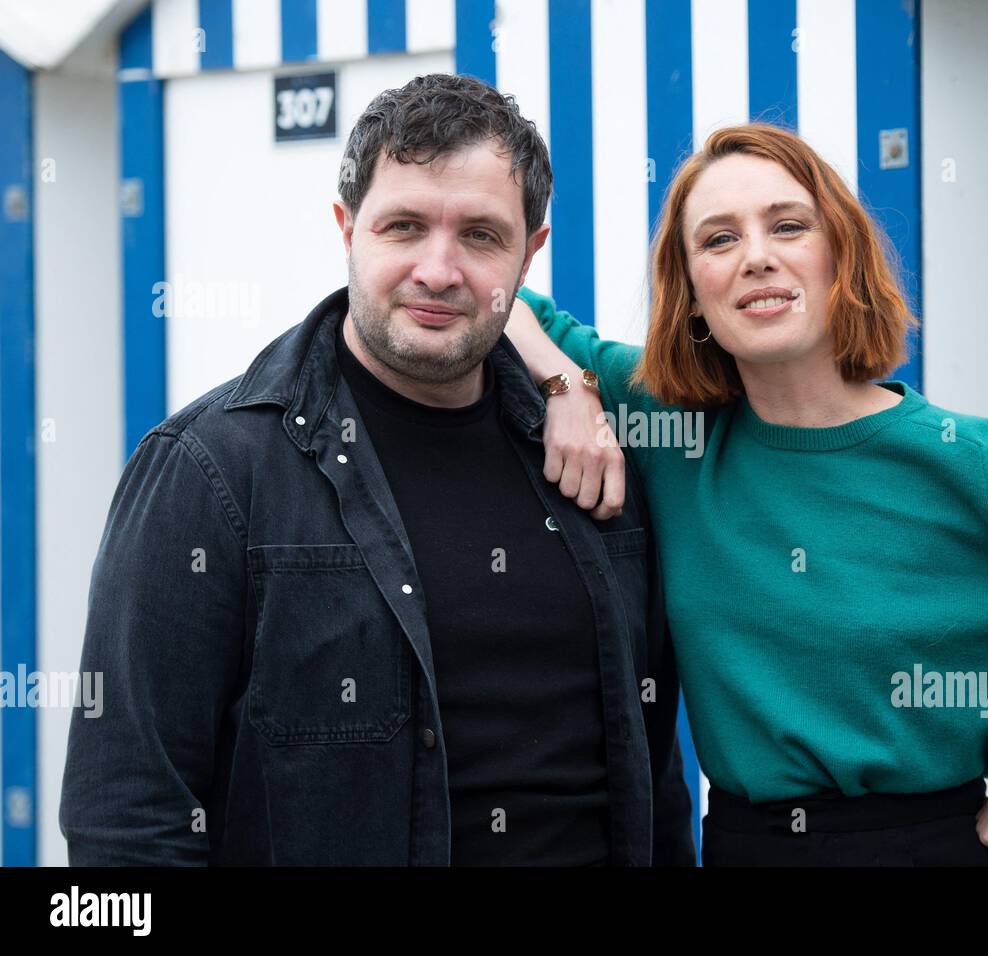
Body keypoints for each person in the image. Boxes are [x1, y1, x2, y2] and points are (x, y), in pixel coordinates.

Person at [503, 122, 988, 866]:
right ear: (693, 295)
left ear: (841, 258)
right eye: (719, 239)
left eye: (788, 226)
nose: (757, 258)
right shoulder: (673, 429)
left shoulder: (973, 464)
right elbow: (499, 294)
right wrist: (564, 385)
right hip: (744, 845)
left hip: (931, 844)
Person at [59, 73, 695, 866]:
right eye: (403, 227)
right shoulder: (209, 472)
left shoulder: (591, 461)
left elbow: (656, 786)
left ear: (529, 255)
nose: (439, 269)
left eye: (481, 236)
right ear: (347, 228)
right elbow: (126, 815)